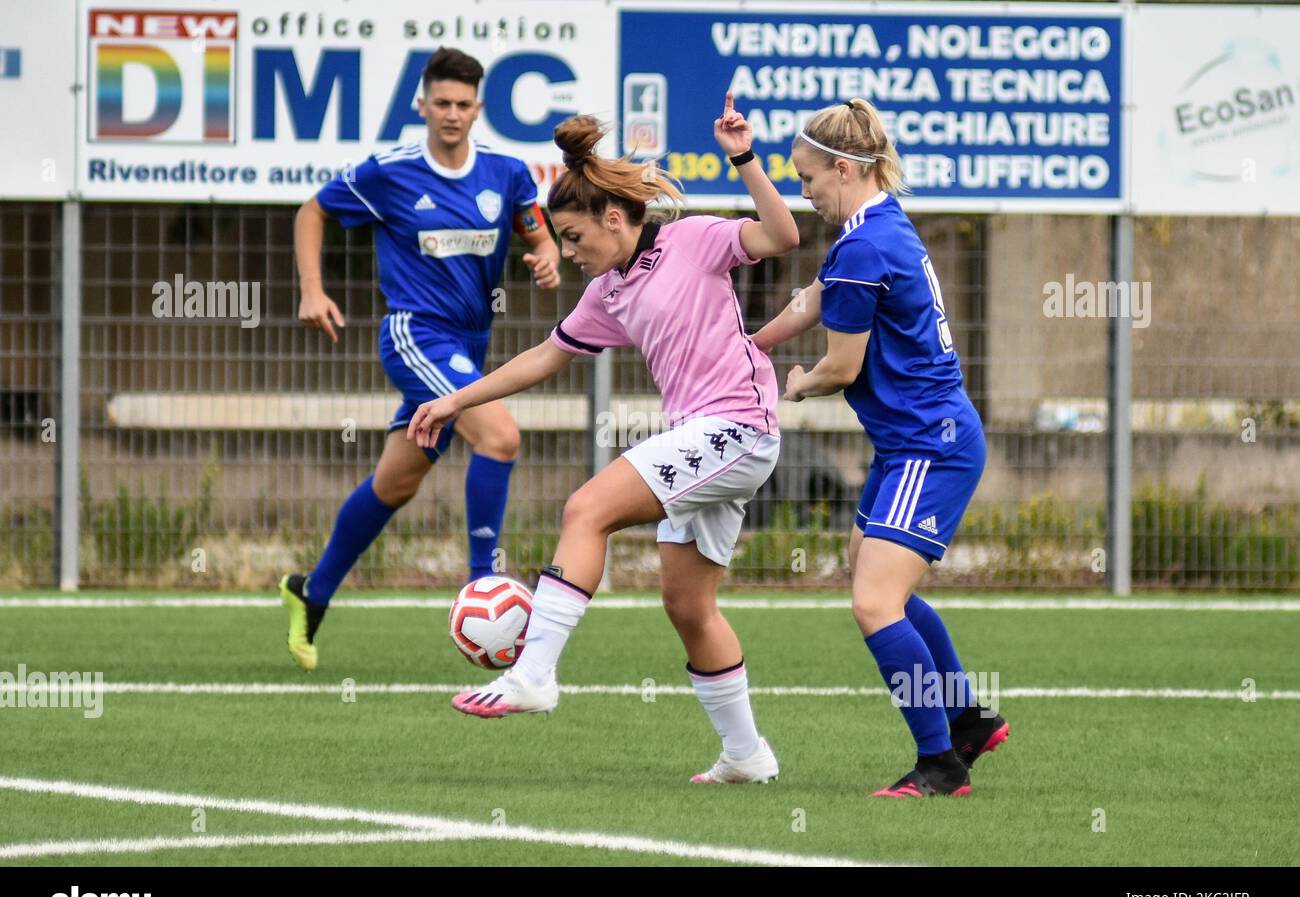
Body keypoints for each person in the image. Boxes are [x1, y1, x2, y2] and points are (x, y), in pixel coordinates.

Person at [408, 94, 800, 783]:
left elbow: (783, 235)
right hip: (701, 439)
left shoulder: (695, 240)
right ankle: (747, 755)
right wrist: (453, 401)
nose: (568, 251)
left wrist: (743, 157)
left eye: (574, 237)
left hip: (739, 427)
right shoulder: (609, 290)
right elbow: (544, 358)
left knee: (586, 509)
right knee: (687, 605)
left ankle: (534, 674)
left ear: (614, 218)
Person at [753, 99, 1010, 798]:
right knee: (873, 576)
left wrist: (795, 386)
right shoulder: (876, 226)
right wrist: (750, 345)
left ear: (843, 168)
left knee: (873, 602)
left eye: (808, 179)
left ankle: (940, 764)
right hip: (917, 442)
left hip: (930, 445)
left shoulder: (865, 242)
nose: (804, 194)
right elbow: (814, 297)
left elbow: (841, 365)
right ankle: (967, 717)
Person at [279, 48, 561, 672]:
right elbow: (314, 210)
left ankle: (311, 591)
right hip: (415, 336)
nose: (452, 114)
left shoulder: (508, 173)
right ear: (423, 106)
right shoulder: (391, 172)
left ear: (478, 108)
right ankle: (482, 588)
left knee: (395, 483)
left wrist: (546, 257)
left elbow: (536, 232)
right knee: (500, 437)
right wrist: (311, 288)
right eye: (442, 103)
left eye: (464, 104)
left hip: (469, 348)